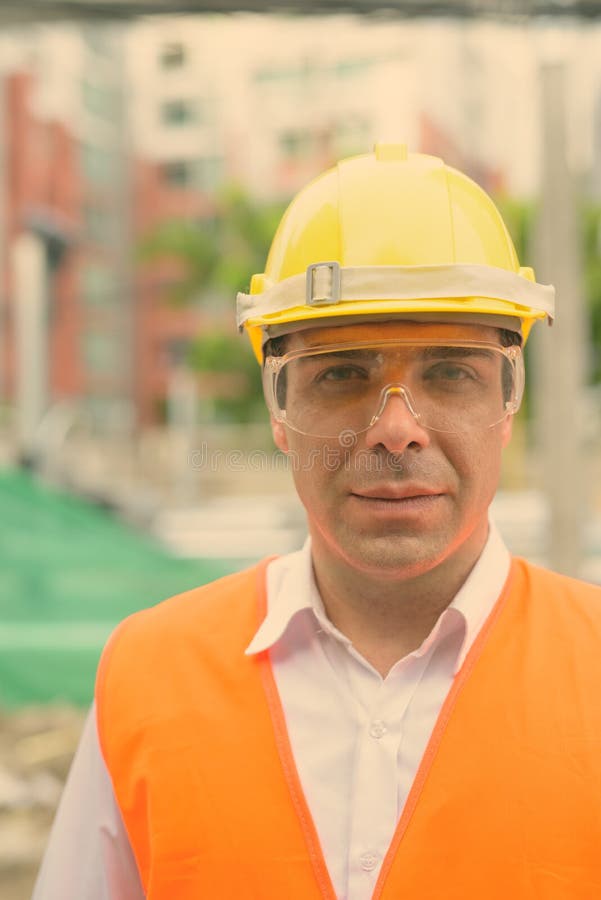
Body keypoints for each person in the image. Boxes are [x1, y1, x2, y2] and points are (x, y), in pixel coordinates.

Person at [34, 144, 601, 900]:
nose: (395, 429)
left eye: (448, 372)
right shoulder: (147, 674)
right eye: (341, 373)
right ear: (280, 410)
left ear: (506, 403)